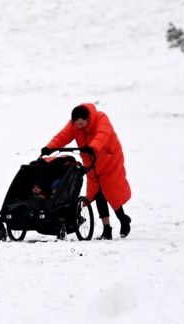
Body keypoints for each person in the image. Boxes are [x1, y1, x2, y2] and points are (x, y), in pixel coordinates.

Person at [41, 103, 132, 240]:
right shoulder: (74, 125)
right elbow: (62, 136)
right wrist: (50, 147)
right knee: (98, 194)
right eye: (76, 125)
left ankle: (123, 219)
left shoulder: (101, 119)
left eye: (82, 124)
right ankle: (107, 229)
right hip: (92, 162)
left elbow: (102, 135)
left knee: (111, 192)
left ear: (88, 119)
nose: (79, 127)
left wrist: (93, 147)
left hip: (109, 160)